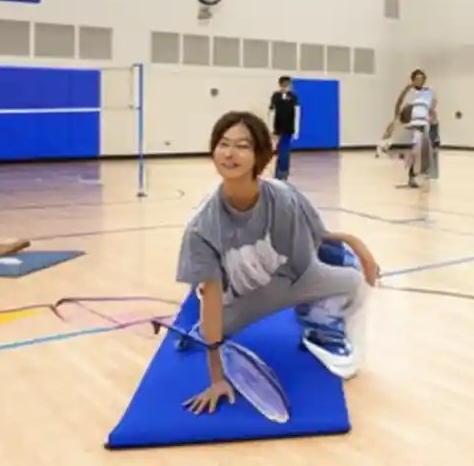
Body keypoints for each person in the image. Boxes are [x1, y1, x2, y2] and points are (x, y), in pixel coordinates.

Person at [176, 111, 379, 415]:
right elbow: (214, 295)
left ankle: (319, 325)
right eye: (223, 144)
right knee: (208, 330)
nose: (230, 153)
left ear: (260, 155)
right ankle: (197, 319)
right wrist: (217, 379)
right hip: (248, 295)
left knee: (357, 281)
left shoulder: (284, 196)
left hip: (298, 279)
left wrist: (354, 241)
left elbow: (319, 235)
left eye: (242, 146)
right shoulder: (202, 227)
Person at [383, 69, 439, 189]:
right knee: (413, 151)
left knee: (421, 151)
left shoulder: (428, 93)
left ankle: (415, 175)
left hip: (423, 124)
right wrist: (395, 121)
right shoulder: (408, 93)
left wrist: (433, 118)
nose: (420, 81)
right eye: (418, 79)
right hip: (411, 125)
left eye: (422, 79)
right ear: (413, 80)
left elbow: (432, 107)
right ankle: (413, 175)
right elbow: (399, 105)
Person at [267, 76, 300, 181]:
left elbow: (297, 113)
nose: (287, 87)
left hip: (288, 128)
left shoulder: (293, 97)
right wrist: (270, 128)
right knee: (279, 151)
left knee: (284, 151)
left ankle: (283, 173)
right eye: (284, 84)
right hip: (277, 128)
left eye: (288, 84)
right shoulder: (276, 96)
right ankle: (278, 173)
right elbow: (271, 112)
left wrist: (296, 130)